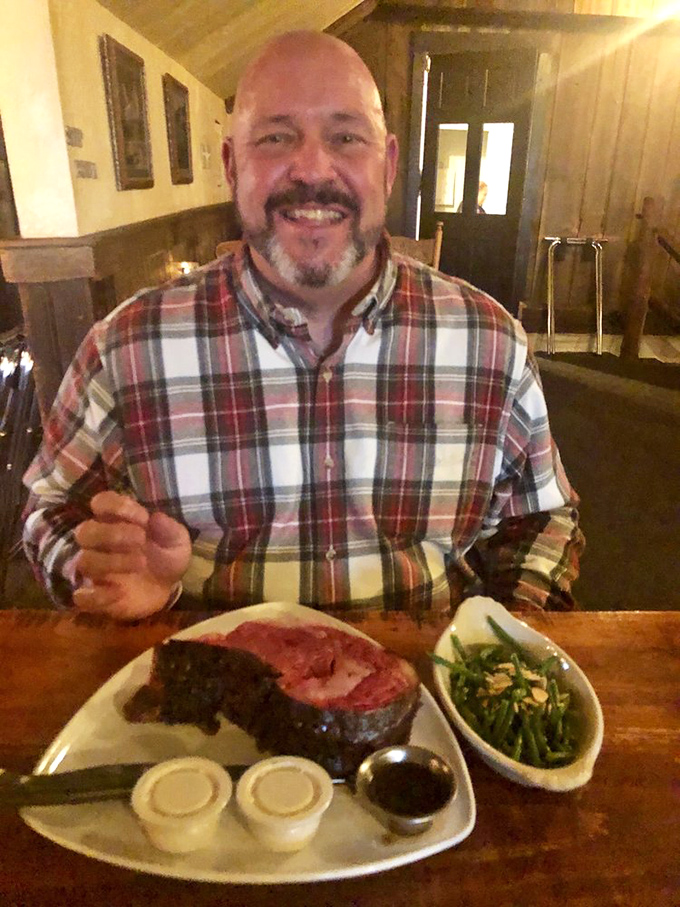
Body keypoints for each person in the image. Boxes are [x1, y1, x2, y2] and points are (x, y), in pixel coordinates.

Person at [22, 31, 583, 622]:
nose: (313, 167)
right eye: (276, 137)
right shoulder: (125, 347)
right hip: (206, 691)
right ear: (232, 165)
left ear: (388, 165)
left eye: (345, 137)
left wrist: (509, 637)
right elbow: (51, 511)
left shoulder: (488, 342)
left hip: (425, 688)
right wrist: (104, 572)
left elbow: (543, 517)